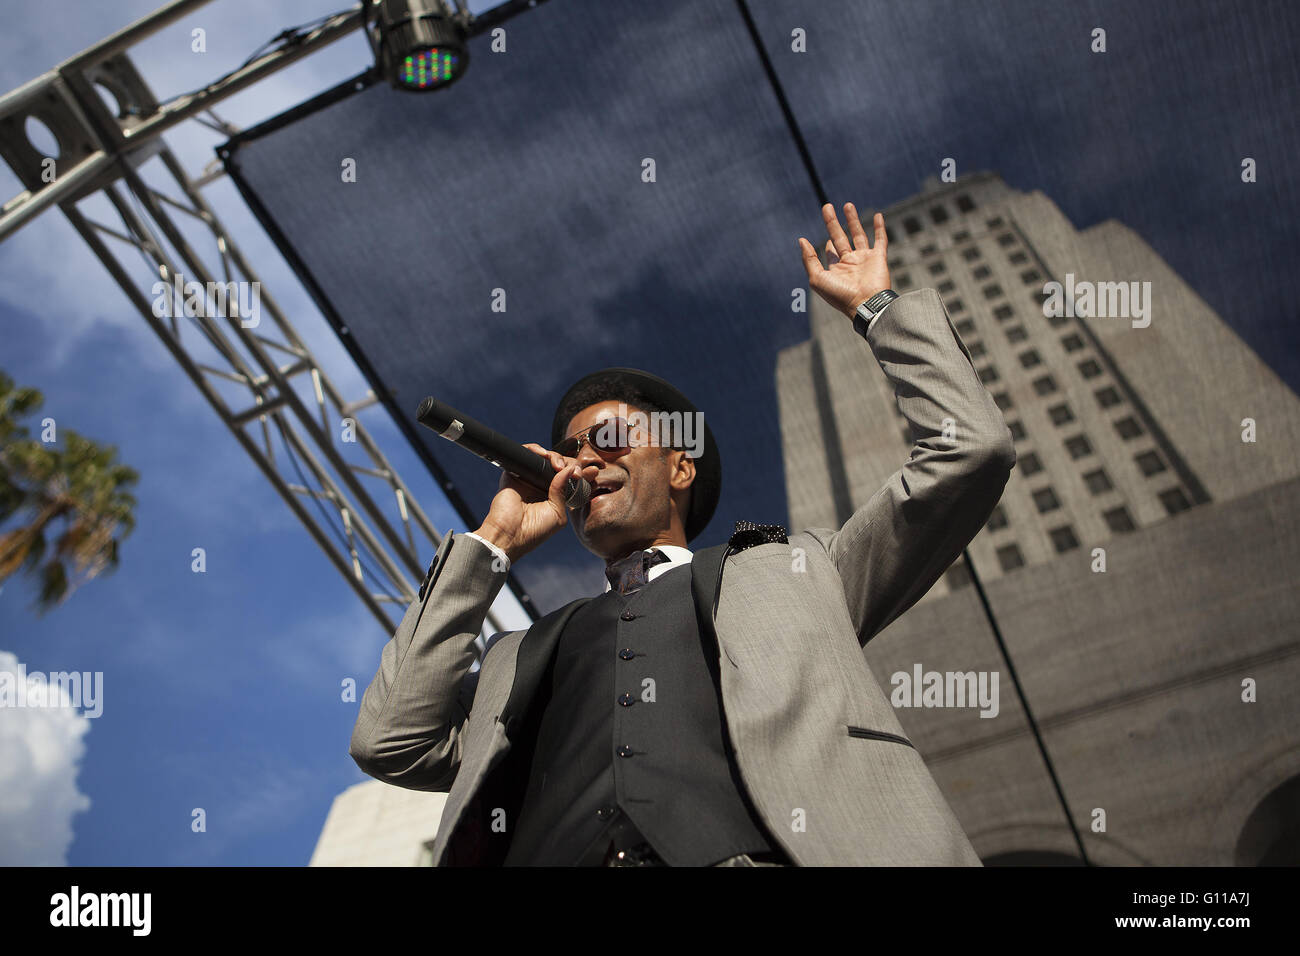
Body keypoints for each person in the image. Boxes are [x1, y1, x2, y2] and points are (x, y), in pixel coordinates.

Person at [350, 202, 1016, 866]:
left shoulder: (805, 570)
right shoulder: (516, 658)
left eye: (608, 439)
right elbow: (390, 741)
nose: (584, 460)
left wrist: (877, 307)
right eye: (571, 450)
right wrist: (494, 542)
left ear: (679, 464)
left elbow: (968, 453)